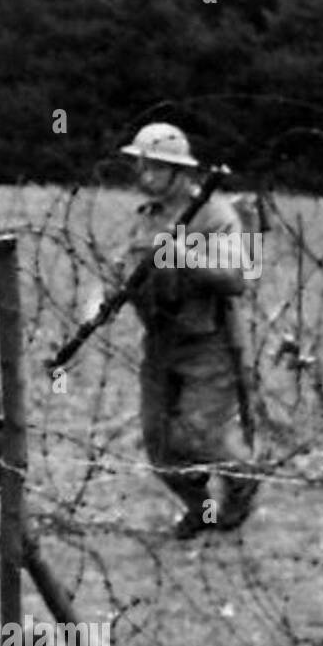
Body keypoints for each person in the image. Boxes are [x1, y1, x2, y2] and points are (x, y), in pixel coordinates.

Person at [113, 122, 260, 538]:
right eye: (141, 165)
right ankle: (202, 510)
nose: (145, 175)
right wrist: (98, 306)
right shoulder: (148, 217)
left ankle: (243, 481)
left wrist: (183, 254)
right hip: (160, 343)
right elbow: (121, 269)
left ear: (181, 172)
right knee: (159, 447)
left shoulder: (215, 215)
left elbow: (236, 276)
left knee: (199, 436)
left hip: (208, 345)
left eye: (156, 167)